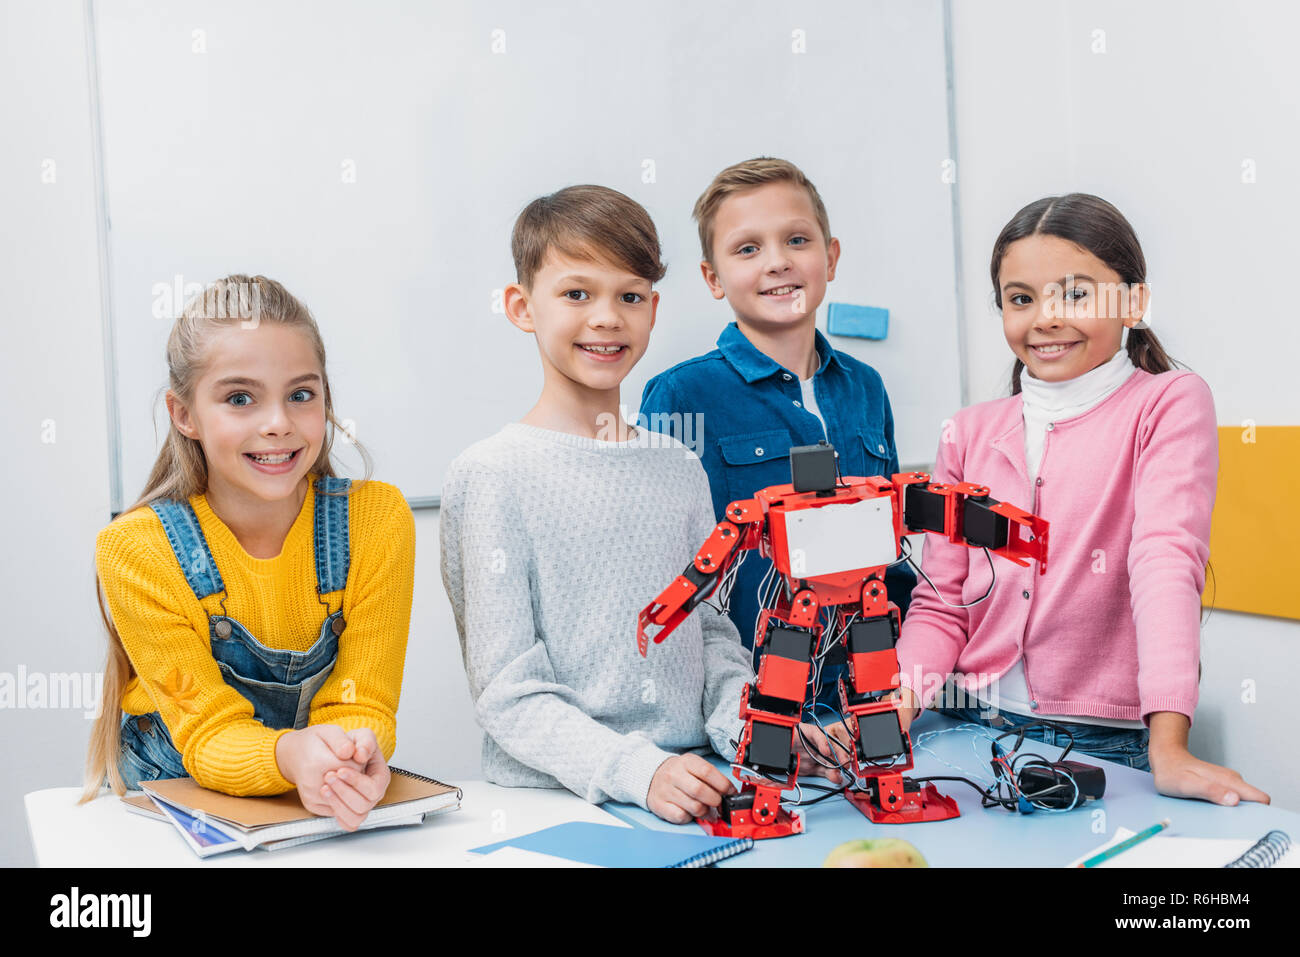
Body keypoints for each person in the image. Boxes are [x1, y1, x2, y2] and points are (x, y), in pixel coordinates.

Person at [440, 185, 845, 825]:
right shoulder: (492, 474)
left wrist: (757, 730)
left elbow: (712, 636)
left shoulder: (679, 467)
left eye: (629, 296)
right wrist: (636, 769)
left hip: (696, 783)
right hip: (561, 805)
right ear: (521, 307)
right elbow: (507, 692)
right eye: (577, 294)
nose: (607, 317)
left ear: (653, 310)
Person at [896, 194, 1269, 806]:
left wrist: (1168, 748)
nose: (1044, 318)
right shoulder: (966, 432)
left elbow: (1165, 562)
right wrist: (886, 718)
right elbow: (941, 604)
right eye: (1021, 299)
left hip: (1105, 746)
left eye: (1075, 295)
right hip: (970, 727)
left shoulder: (1168, 402)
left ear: (1134, 302)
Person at [83, 275, 416, 831]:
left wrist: (353, 755)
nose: (278, 424)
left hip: (302, 799)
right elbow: (209, 733)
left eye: (301, 395)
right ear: (183, 413)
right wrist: (294, 757)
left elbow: (365, 702)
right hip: (170, 791)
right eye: (240, 398)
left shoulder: (377, 519)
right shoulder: (135, 548)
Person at [640, 156, 915, 706]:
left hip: (872, 695)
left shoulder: (866, 387)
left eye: (797, 240)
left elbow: (892, 545)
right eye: (748, 249)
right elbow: (665, 569)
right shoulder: (679, 397)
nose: (777, 263)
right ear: (712, 278)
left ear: (830, 258)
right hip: (751, 704)